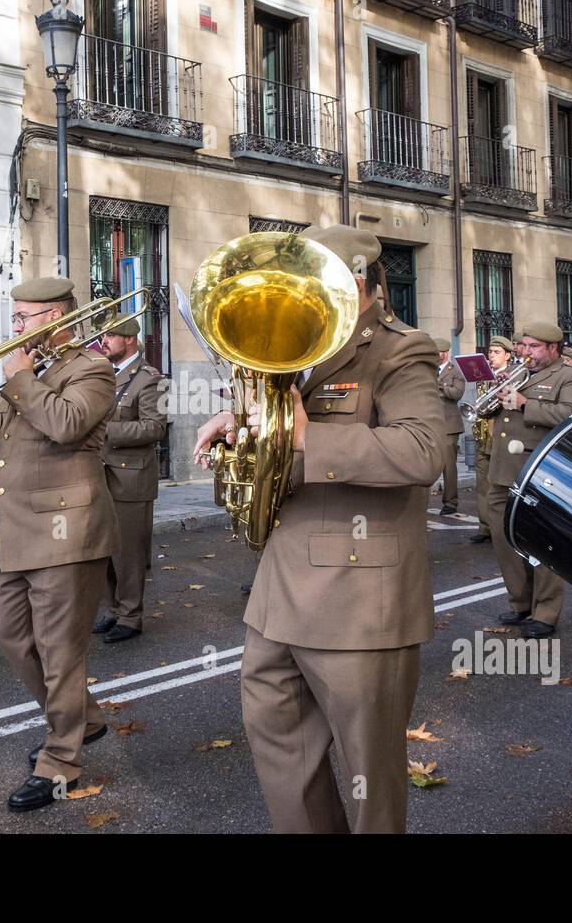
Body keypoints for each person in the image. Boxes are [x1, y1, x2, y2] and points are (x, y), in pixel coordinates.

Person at [194, 224, 444, 834]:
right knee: (282, 755)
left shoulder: (400, 351)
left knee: (369, 778)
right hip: (279, 593)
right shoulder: (292, 351)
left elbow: (422, 451)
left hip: (359, 601)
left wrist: (309, 436)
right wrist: (240, 423)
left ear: (357, 280)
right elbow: (279, 439)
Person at [0, 277, 118, 813]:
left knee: (61, 653)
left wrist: (18, 379)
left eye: (24, 318)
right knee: (12, 637)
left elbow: (66, 425)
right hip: (20, 529)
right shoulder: (27, 372)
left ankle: (61, 760)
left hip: (68, 529)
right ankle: (83, 719)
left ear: (58, 316)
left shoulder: (91, 368)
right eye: (13, 318)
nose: (14, 328)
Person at [487, 322, 572, 638]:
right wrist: (495, 395)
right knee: (504, 539)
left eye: (533, 347)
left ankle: (545, 612)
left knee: (543, 542)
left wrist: (523, 403)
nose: (525, 352)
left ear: (553, 348)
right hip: (503, 467)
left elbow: (571, 415)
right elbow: (495, 413)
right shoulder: (521, 372)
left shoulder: (571, 377)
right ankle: (521, 602)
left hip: (540, 470)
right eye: (524, 345)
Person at [93, 318, 167, 643]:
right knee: (103, 549)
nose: (103, 340)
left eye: (110, 335)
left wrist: (107, 431)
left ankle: (130, 616)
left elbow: (155, 427)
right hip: (99, 475)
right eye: (103, 334)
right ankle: (110, 609)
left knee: (128, 553)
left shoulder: (152, 379)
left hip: (130, 478)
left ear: (130, 340)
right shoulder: (102, 374)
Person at [470, 335, 514, 546]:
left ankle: (502, 528)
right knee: (482, 485)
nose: (492, 356)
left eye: (497, 352)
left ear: (507, 355)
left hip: (501, 437)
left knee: (501, 486)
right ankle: (485, 527)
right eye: (490, 352)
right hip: (483, 437)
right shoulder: (483, 376)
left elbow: (513, 405)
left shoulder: (513, 375)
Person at [434, 337, 464, 516]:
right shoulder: (428, 370)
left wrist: (440, 386)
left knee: (449, 466)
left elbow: (457, 393)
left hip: (448, 426)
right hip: (431, 423)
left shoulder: (456, 372)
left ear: (444, 354)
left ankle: (451, 503)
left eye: (435, 353)